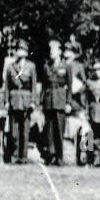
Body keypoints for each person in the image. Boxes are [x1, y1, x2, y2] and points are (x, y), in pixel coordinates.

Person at [3, 39, 37, 165]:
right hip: (14, 100)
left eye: (22, 50)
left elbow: (33, 86)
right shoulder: (11, 67)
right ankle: (15, 155)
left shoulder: (31, 67)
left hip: (26, 101)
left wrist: (33, 101)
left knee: (25, 130)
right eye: (18, 50)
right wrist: (6, 101)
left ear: (26, 52)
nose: (19, 52)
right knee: (14, 131)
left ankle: (24, 156)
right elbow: (6, 86)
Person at [40, 38, 69, 167]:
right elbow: (44, 86)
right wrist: (42, 102)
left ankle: (59, 156)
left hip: (60, 101)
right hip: (48, 101)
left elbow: (70, 86)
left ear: (60, 52)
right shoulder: (46, 66)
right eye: (50, 50)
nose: (52, 52)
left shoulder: (66, 66)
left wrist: (68, 102)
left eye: (54, 50)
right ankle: (50, 156)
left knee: (59, 130)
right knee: (49, 131)